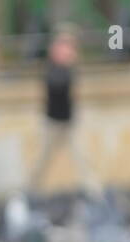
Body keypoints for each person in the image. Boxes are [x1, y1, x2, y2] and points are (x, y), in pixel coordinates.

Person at [27, 29, 100, 197]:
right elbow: (56, 85)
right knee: (41, 159)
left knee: (83, 157)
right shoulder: (51, 69)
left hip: (70, 121)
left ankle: (94, 191)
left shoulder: (70, 68)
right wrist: (67, 66)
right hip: (52, 122)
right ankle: (30, 190)